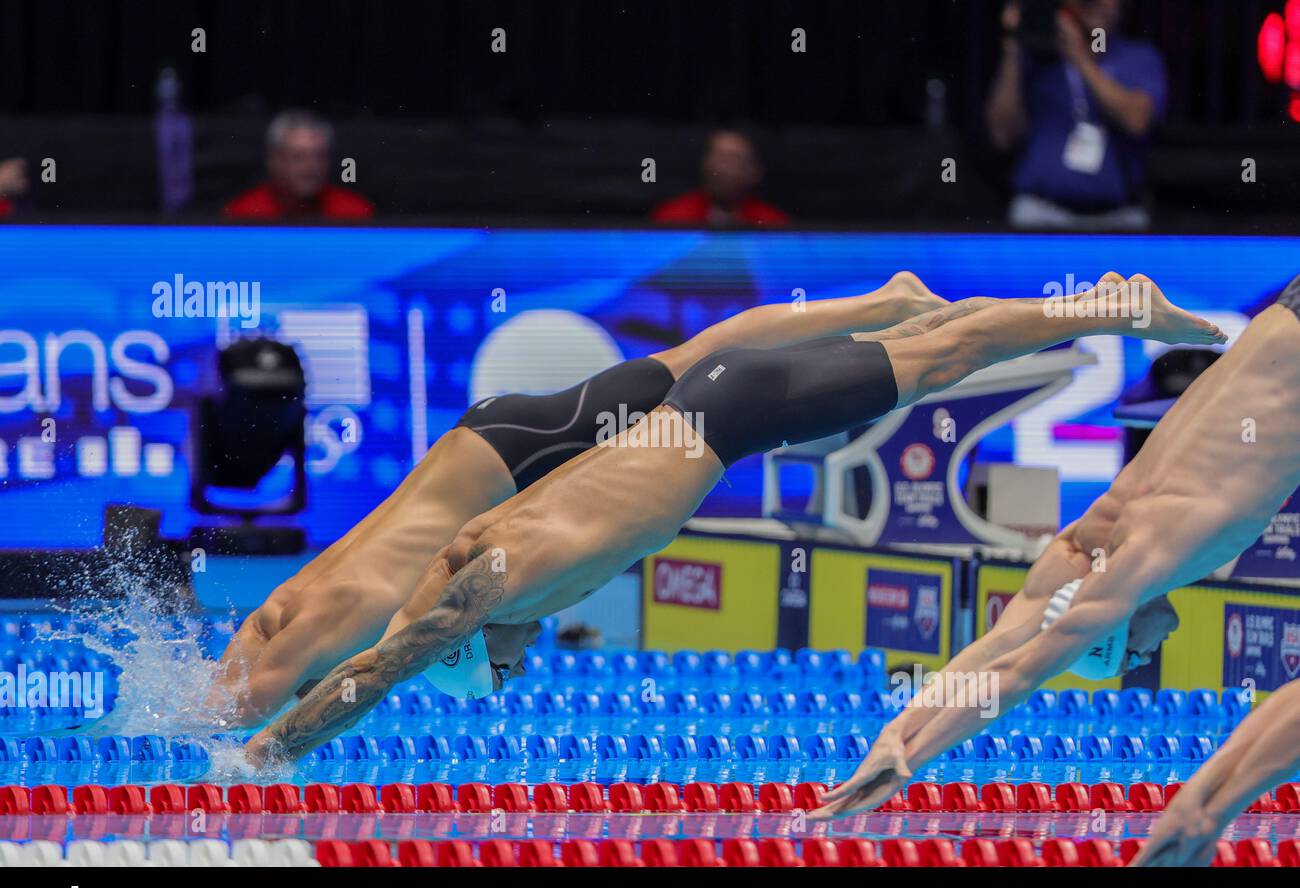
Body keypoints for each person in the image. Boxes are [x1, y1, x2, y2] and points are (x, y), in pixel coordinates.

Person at [244, 275, 1225, 766]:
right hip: (709, 405)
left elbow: (379, 667)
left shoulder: (494, 577)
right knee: (927, 345)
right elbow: (394, 638)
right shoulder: (482, 567)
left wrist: (267, 755)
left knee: (946, 351)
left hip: (734, 415)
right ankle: (970, 303)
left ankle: (1116, 306)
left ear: (470, 641)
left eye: (502, 663)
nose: (524, 661)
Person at [214, 272, 943, 723]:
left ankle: (888, 301)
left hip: (516, 457)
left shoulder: (331, 616)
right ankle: (884, 303)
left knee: (702, 364)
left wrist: (213, 742)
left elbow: (250, 711)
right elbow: (242, 677)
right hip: (480, 452)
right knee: (692, 363)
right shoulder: (292, 605)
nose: (517, 666)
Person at [812, 276, 1300, 829]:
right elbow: (995, 646)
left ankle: (1115, 307)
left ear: (1113, 622)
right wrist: (895, 734)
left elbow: (1018, 672)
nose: (1144, 660)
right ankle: (1118, 305)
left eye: (1127, 656)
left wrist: (909, 762)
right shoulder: (1095, 537)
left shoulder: (1154, 547)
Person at [987, 0, 1166, 230]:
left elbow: (1136, 121)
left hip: (1118, 216)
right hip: (1041, 212)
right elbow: (1002, 135)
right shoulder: (1040, 59)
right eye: (1087, 2)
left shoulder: (1138, 58)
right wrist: (1013, 48)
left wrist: (1081, 57)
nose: (1098, 6)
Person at [223, 110, 374, 220]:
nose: (310, 167)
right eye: (298, 157)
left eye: (318, 156)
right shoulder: (242, 214)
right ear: (274, 161)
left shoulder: (355, 213)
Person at [651, 128, 788, 227]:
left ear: (755, 172)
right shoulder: (670, 218)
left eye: (732, 159)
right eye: (715, 156)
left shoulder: (773, 224)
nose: (719, 167)